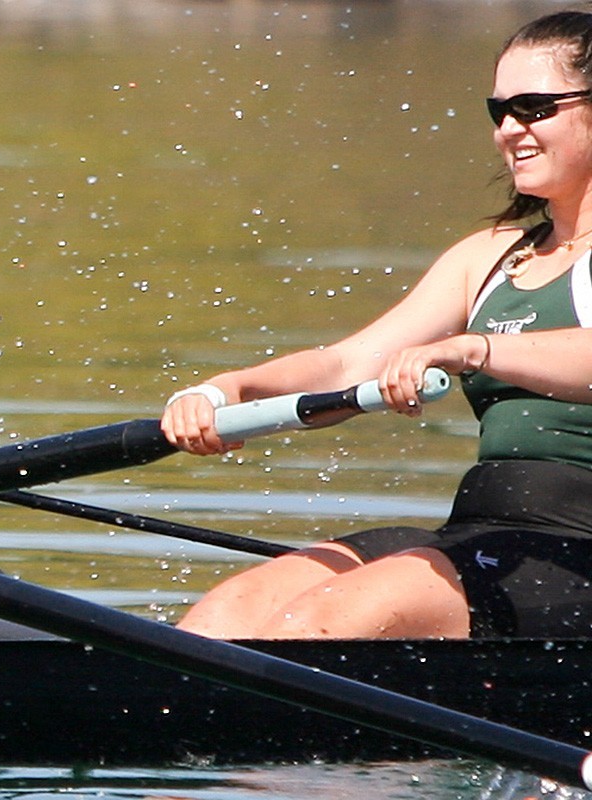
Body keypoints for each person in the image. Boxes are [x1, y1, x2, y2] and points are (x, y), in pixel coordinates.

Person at [164, 9, 592, 640]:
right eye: (497, 110)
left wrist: (474, 349)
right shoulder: (489, 256)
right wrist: (228, 391)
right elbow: (345, 364)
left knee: (324, 620)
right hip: (482, 531)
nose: (509, 129)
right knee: (231, 614)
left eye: (533, 107)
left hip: (578, 546)